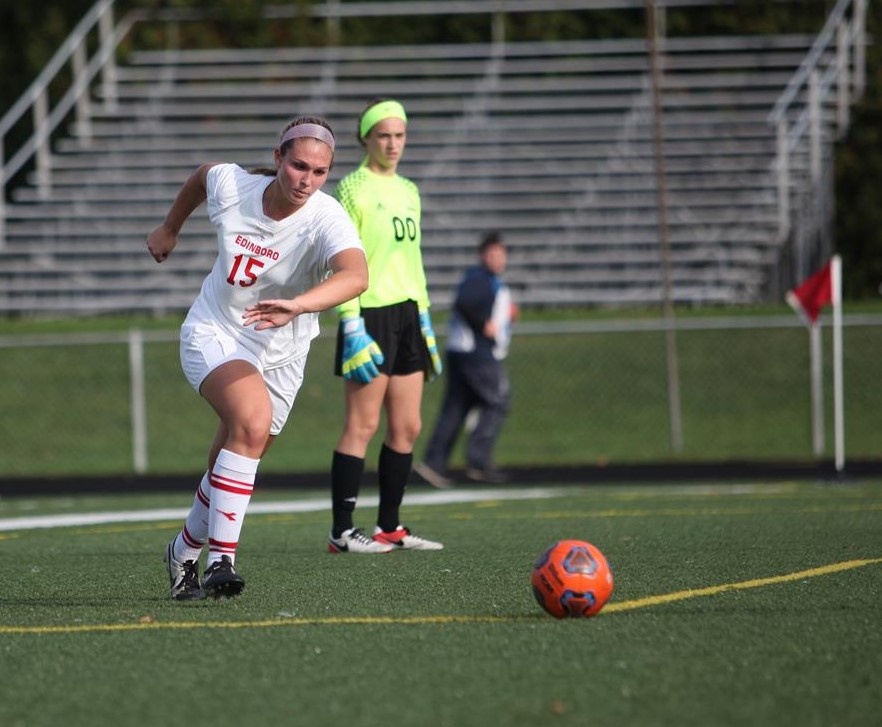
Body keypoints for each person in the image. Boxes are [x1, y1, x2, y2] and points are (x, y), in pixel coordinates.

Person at [146, 117, 368, 600]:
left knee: (234, 458)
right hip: (216, 331)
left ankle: (183, 552)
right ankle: (223, 562)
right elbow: (204, 175)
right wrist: (170, 227)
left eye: (319, 171)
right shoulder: (235, 186)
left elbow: (356, 276)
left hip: (283, 352)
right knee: (251, 420)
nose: (306, 180)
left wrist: (299, 305)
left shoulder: (325, 216)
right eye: (298, 166)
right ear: (278, 159)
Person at [328, 98, 444, 554]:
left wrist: (426, 316)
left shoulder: (410, 190)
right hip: (369, 313)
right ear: (366, 139)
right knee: (362, 424)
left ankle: (389, 527)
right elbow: (342, 262)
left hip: (410, 313)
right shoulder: (351, 189)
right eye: (383, 135)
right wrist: (350, 321)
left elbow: (411, 260)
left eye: (399, 135)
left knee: (408, 426)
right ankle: (341, 531)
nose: (392, 144)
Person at [415, 232, 516, 487]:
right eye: (492, 254)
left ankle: (433, 463)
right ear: (483, 256)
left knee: (457, 407)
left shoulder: (486, 280)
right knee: (498, 401)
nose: (497, 259)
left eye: (500, 255)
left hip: (461, 352)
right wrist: (483, 324)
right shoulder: (480, 278)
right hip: (477, 354)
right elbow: (465, 302)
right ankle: (478, 460)